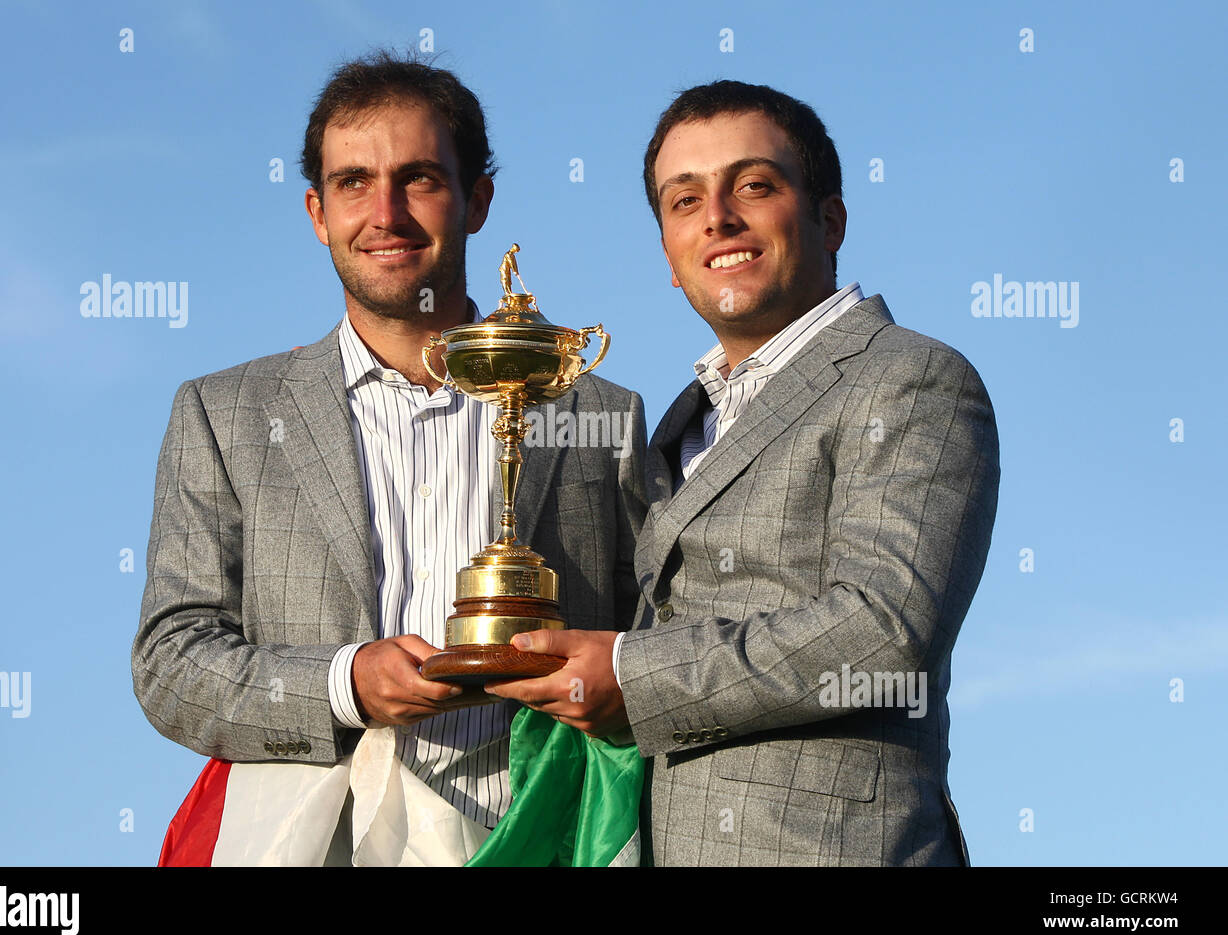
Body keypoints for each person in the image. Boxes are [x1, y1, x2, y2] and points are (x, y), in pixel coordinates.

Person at [131, 53, 646, 856]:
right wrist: (347, 683)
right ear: (316, 210)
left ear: (476, 200)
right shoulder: (225, 415)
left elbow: (654, 648)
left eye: (418, 179)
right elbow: (170, 665)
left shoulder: (598, 412)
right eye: (353, 183)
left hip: (538, 833)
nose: (385, 213)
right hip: (310, 838)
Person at [485, 80, 999, 865]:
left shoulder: (912, 376)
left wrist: (631, 673)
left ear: (830, 219)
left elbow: (885, 632)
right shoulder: (680, 421)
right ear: (667, 255)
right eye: (684, 201)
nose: (718, 217)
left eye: (753, 186)